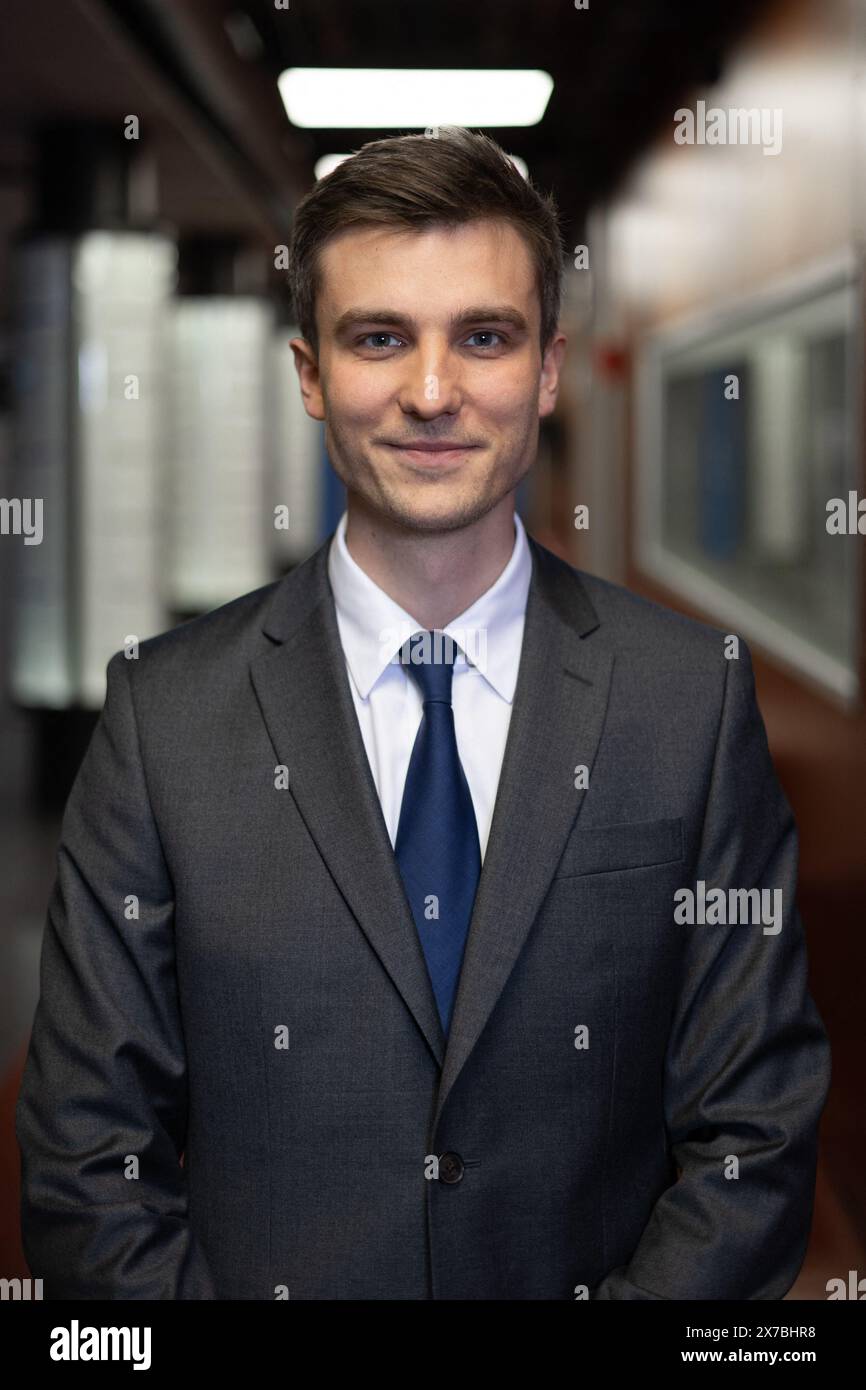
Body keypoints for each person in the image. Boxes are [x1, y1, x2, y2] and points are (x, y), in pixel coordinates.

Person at [16, 127, 831, 1300]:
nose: (433, 392)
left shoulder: (685, 698)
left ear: (548, 370)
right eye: (380, 338)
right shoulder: (164, 716)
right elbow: (89, 1160)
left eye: (483, 337)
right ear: (308, 373)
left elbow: (752, 1122)